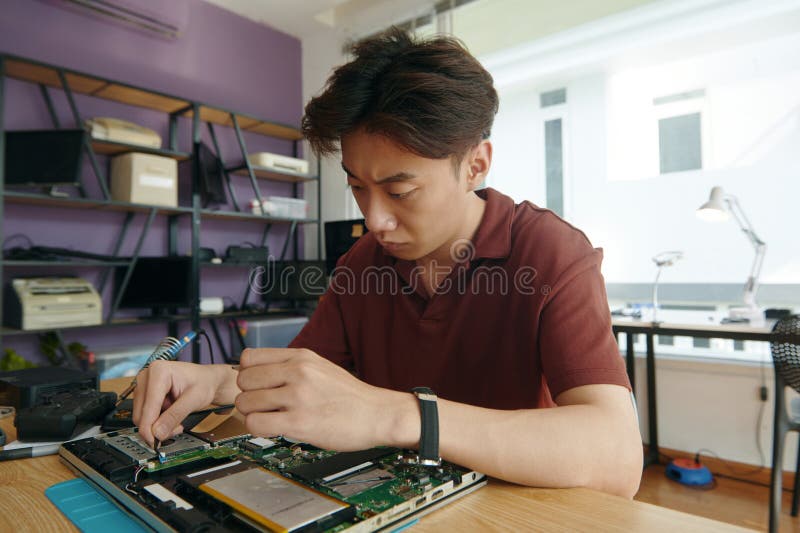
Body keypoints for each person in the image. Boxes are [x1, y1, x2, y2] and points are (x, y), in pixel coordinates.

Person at [133, 28, 642, 498]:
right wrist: (217, 383)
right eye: (357, 187)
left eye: (400, 190)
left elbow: (618, 457)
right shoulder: (362, 263)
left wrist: (400, 415)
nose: (375, 220)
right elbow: (308, 382)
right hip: (391, 502)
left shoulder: (551, 253)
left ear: (476, 165)